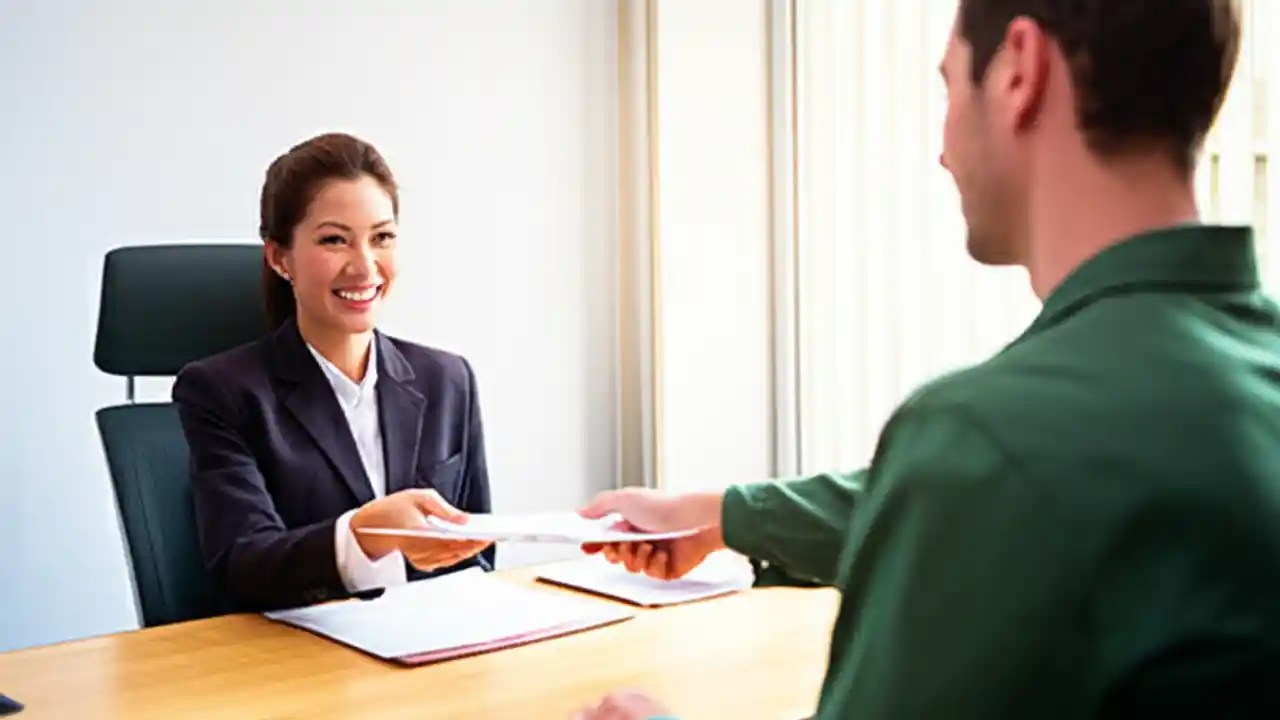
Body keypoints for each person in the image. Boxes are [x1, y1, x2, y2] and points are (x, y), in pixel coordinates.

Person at [573, 0, 1280, 717]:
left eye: (950, 87)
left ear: (1020, 71)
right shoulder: (1227, 387)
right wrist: (723, 515)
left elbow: (1000, 481)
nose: (943, 152)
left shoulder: (986, 437)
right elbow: (1046, 498)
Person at [174, 132, 493, 611]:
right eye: (334, 240)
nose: (365, 268)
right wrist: (365, 535)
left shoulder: (448, 380)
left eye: (382, 238)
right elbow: (244, 566)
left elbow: (476, 557)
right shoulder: (222, 393)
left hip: (434, 642)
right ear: (280, 258)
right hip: (300, 650)